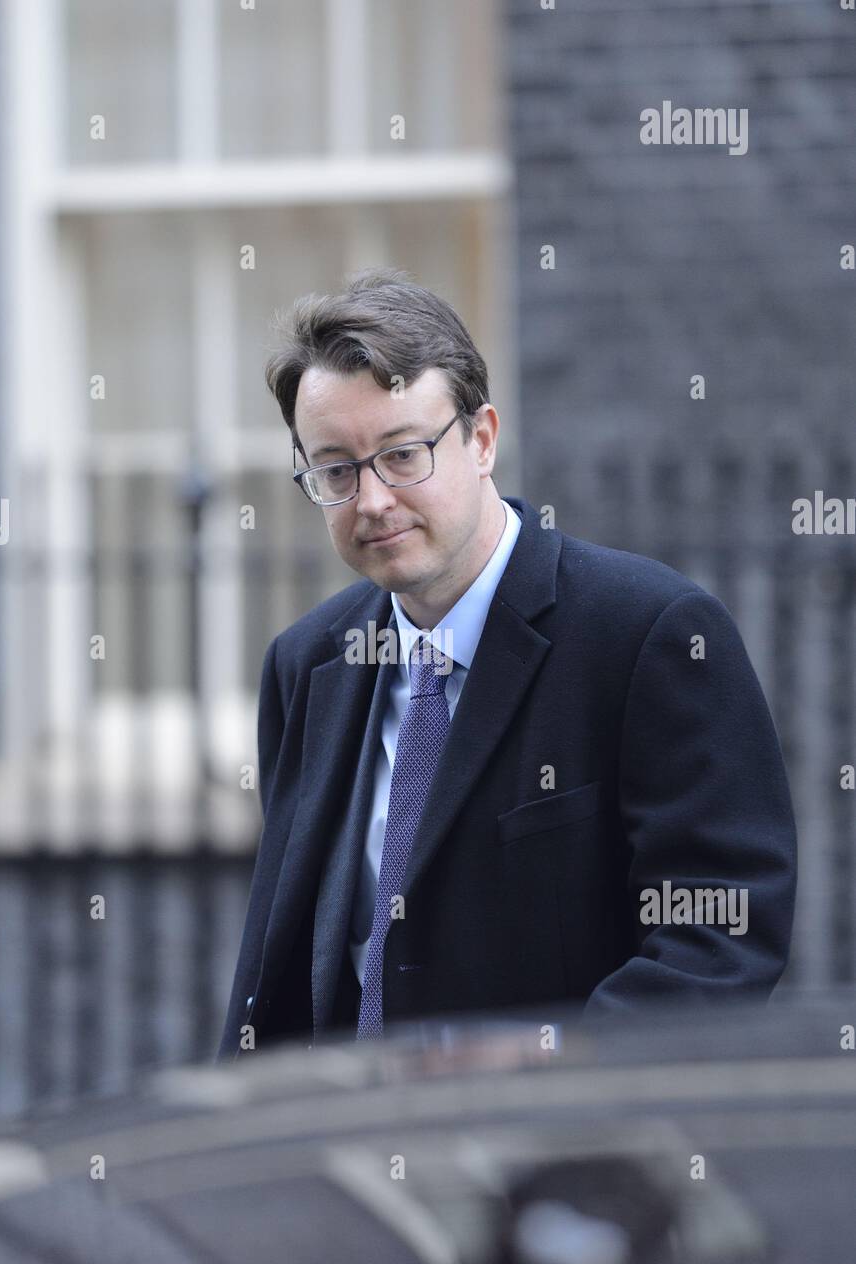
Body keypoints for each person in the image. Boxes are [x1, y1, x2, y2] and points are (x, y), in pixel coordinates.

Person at [218, 267, 796, 1058]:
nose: (373, 500)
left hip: (561, 1156)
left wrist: (543, 1074)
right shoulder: (304, 665)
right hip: (355, 1152)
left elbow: (719, 942)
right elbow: (280, 963)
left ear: (481, 439)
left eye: (402, 454)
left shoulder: (648, 635)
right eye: (336, 469)